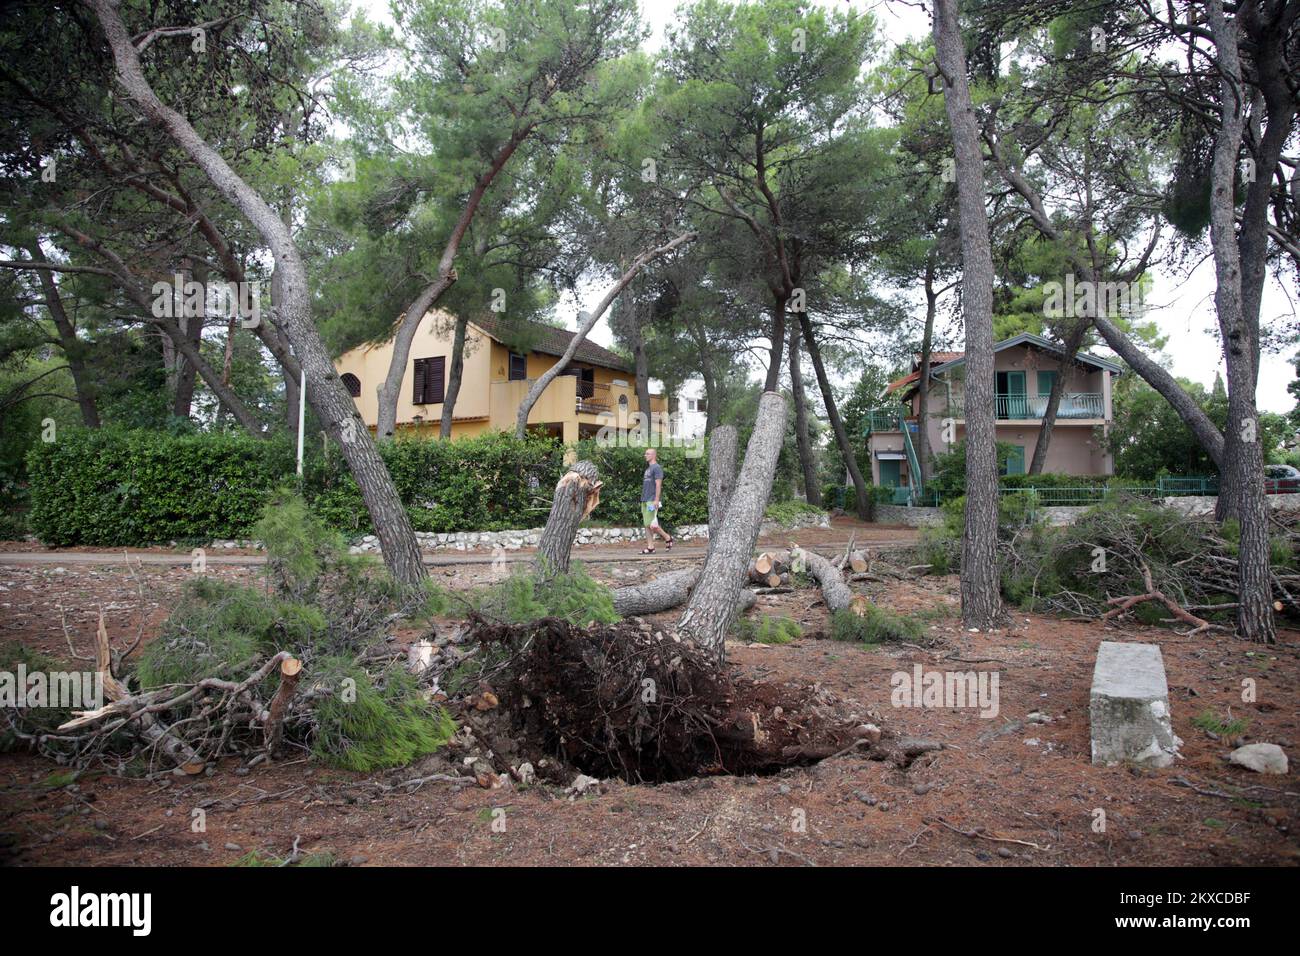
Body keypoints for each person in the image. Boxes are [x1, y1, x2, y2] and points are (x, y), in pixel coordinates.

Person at [639, 447, 673, 554]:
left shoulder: (657, 468)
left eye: (648, 454)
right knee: (647, 524)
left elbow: (658, 484)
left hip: (651, 500)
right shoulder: (648, 469)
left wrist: (656, 500)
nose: (645, 455)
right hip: (644, 499)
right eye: (645, 454)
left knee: (652, 524)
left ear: (654, 455)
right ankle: (651, 547)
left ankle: (667, 537)